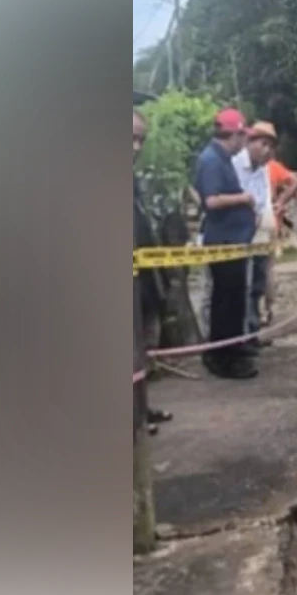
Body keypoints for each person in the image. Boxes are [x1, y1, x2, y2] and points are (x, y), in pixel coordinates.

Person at [193, 108, 259, 380]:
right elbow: (211, 201)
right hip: (223, 242)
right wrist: (244, 198)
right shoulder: (211, 160)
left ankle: (234, 347)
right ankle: (223, 358)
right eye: (243, 137)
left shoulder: (222, 159)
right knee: (226, 303)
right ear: (234, 134)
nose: (244, 143)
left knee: (234, 300)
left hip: (234, 242)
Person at [133, 110, 172, 431]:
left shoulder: (133, 179)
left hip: (146, 279)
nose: (135, 146)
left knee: (147, 348)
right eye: (130, 137)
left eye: (140, 140)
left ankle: (142, 410)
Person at [233, 121, 278, 349]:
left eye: (270, 145)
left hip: (259, 232)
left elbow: (261, 202)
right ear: (250, 142)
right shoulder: (234, 164)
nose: (267, 150)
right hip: (237, 235)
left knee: (257, 285)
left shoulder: (263, 169)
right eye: (263, 143)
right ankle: (239, 338)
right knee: (242, 286)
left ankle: (252, 332)